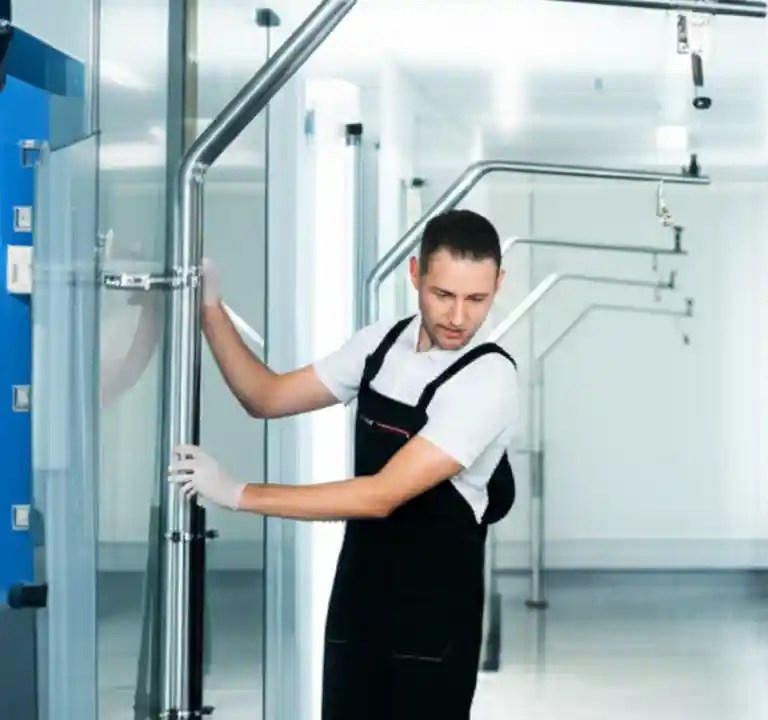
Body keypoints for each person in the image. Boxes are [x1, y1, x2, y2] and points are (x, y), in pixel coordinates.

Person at [169, 209, 520, 719]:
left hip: (433, 620)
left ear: (498, 284)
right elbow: (265, 396)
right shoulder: (380, 344)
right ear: (415, 273)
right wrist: (209, 310)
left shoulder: (487, 378)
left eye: (477, 299)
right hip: (358, 598)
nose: (458, 317)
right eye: (443, 295)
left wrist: (239, 493)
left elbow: (380, 496)